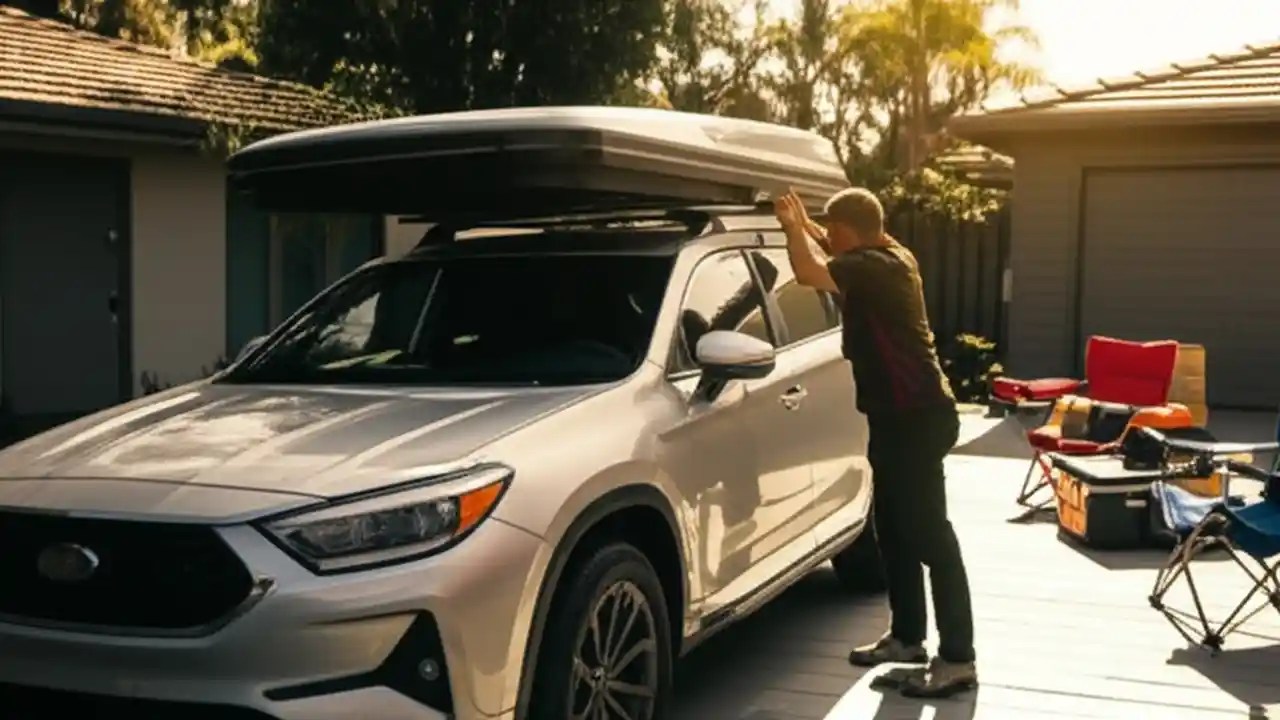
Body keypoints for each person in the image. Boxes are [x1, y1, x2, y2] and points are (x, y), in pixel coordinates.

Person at [772, 187, 977, 698]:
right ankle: (907, 638)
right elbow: (837, 248)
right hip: (895, 416)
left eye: (832, 232)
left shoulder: (874, 267)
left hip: (917, 417)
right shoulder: (889, 252)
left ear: (849, 234)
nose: (828, 238)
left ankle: (958, 658)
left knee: (930, 534)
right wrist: (814, 229)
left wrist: (794, 231)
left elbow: (808, 274)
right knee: (893, 528)